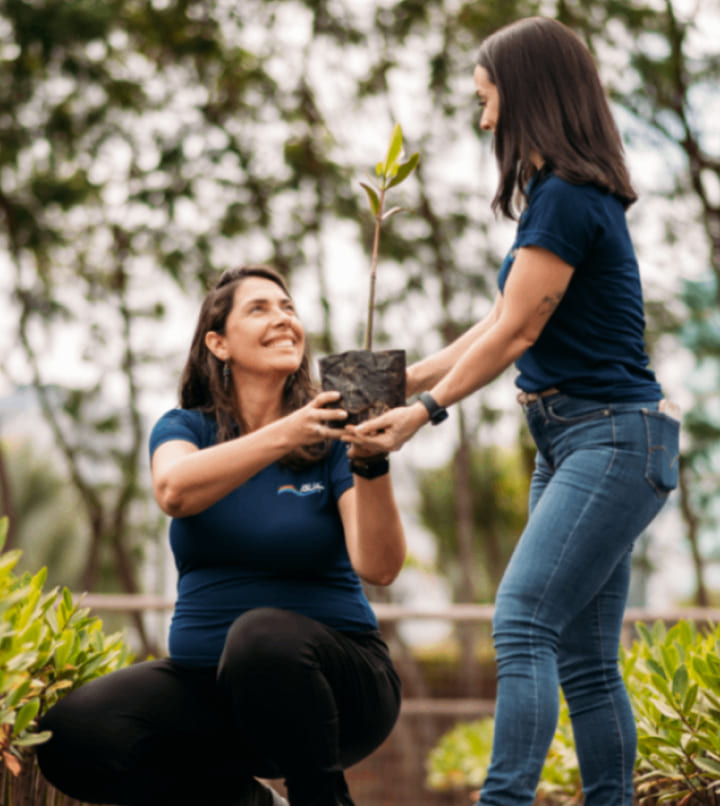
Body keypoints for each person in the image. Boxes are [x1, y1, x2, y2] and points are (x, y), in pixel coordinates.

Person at [345, 16, 680, 806]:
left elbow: (519, 328)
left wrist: (424, 408)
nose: (483, 118)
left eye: (488, 98)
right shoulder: (558, 196)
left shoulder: (566, 196)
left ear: (526, 92)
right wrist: (392, 380)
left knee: (522, 621)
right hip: (580, 442)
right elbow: (502, 319)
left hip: (608, 438)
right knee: (587, 663)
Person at [37, 265, 406, 806]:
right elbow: (174, 490)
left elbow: (380, 567)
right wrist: (287, 431)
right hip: (210, 695)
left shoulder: (329, 443)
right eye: (259, 308)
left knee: (260, 637)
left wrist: (370, 462)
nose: (283, 318)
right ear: (218, 342)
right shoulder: (186, 428)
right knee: (74, 733)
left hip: (341, 688)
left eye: (288, 308)